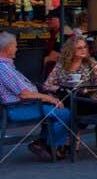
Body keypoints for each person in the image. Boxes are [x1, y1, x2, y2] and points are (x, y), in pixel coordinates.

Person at [0, 30, 75, 160]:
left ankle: (43, 143)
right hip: (17, 109)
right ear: (7, 48)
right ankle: (51, 146)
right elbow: (24, 94)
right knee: (64, 113)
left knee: (55, 108)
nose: (17, 49)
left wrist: (45, 94)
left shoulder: (6, 65)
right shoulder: (4, 68)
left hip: (23, 105)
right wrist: (48, 98)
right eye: (15, 46)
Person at [43, 33, 97, 103]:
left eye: (85, 47)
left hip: (87, 99)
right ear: (71, 50)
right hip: (65, 98)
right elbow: (47, 85)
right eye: (79, 48)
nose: (83, 50)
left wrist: (86, 90)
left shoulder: (91, 62)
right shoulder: (61, 64)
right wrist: (60, 89)